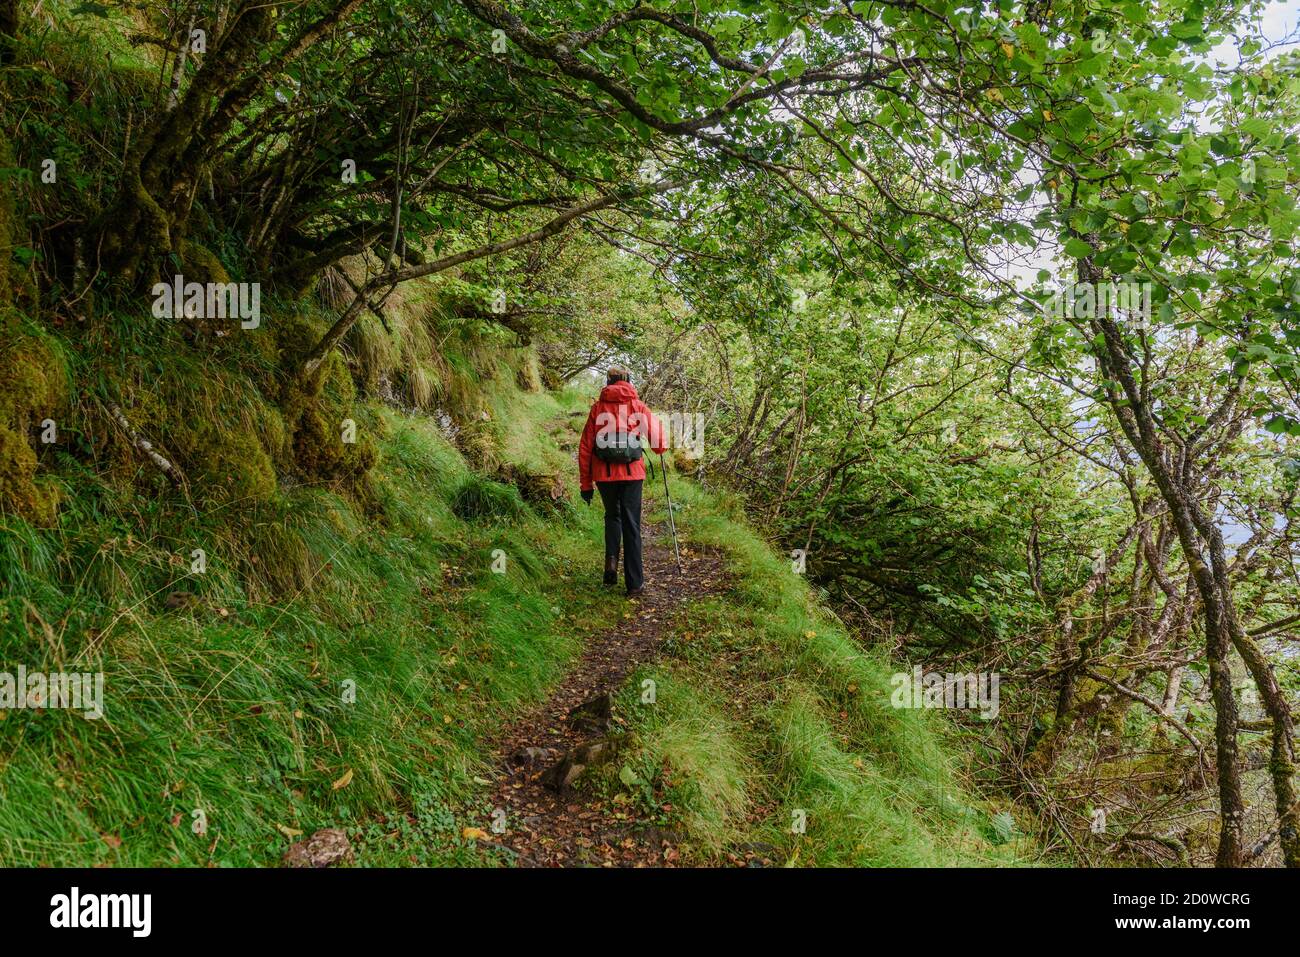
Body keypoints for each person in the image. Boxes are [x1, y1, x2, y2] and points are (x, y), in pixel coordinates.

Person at [577, 367, 667, 596]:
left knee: (612, 516)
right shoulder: (637, 406)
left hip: (604, 475)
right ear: (628, 381)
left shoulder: (598, 408)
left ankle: (610, 564)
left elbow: (586, 447)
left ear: (608, 381)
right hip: (631, 474)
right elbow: (659, 443)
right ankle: (634, 584)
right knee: (631, 523)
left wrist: (585, 485)